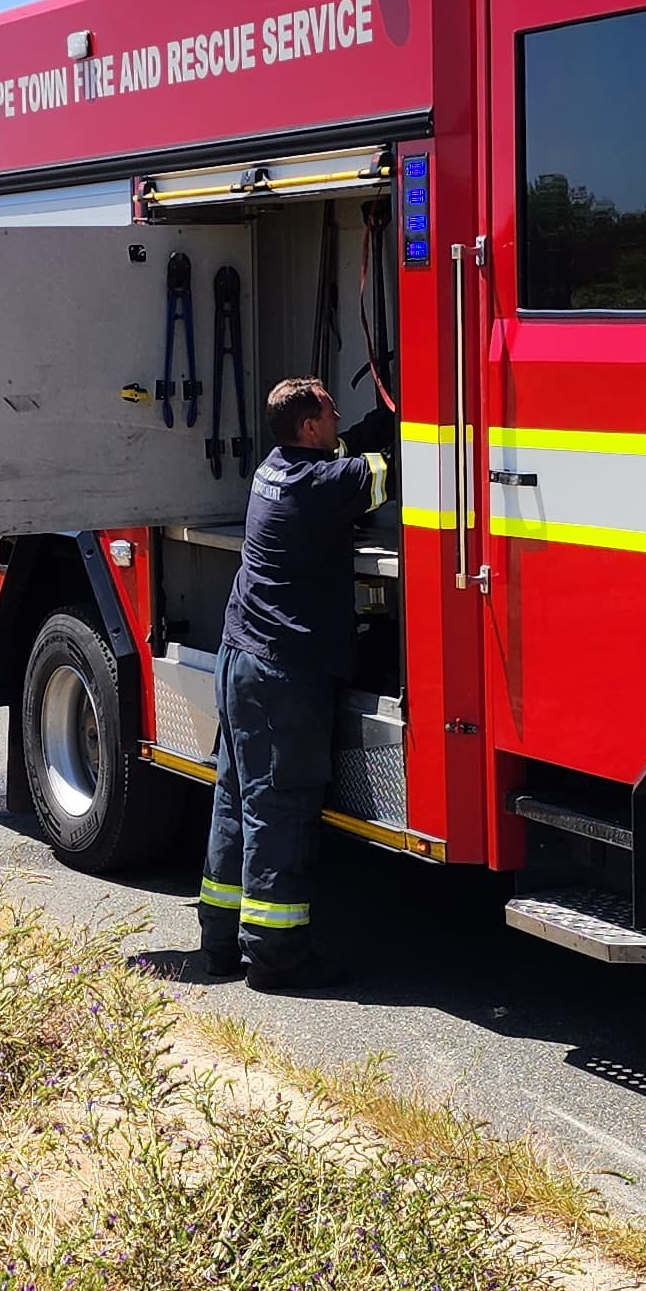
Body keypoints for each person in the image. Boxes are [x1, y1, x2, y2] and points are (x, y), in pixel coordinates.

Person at [198, 376, 395, 989]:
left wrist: (372, 424)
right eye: (331, 413)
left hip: (241, 658)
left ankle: (220, 942)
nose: (337, 419)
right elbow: (392, 468)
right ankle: (276, 957)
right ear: (310, 427)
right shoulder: (320, 485)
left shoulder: (275, 469)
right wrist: (413, 416)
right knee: (280, 808)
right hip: (282, 673)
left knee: (237, 800)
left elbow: (347, 452)